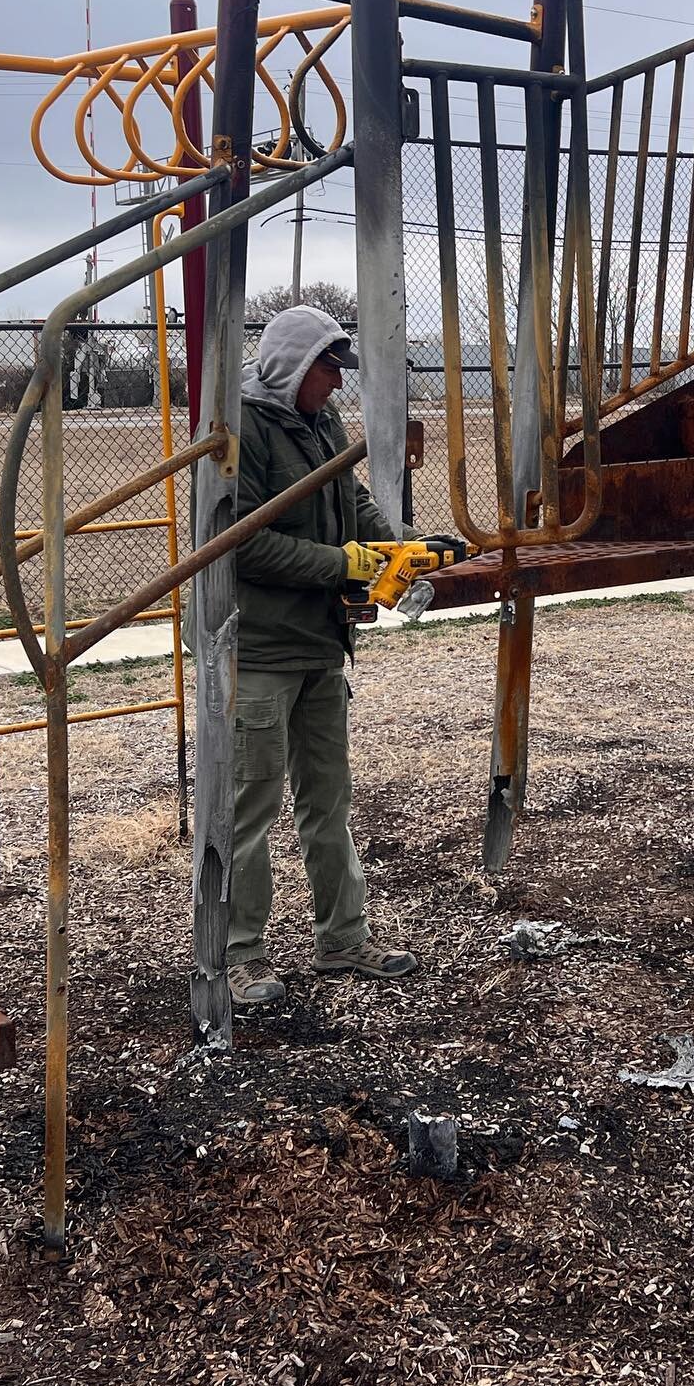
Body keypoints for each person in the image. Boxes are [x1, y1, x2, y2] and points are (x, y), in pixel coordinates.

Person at [225, 304, 419, 1006]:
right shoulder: (238, 428)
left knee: (327, 802)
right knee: (248, 809)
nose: (337, 385)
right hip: (258, 649)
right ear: (294, 366)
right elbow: (241, 543)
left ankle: (342, 936)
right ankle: (236, 954)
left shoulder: (321, 424)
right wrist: (342, 564)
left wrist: (395, 546)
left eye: (339, 371)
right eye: (329, 369)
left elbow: (350, 496)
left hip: (318, 647)